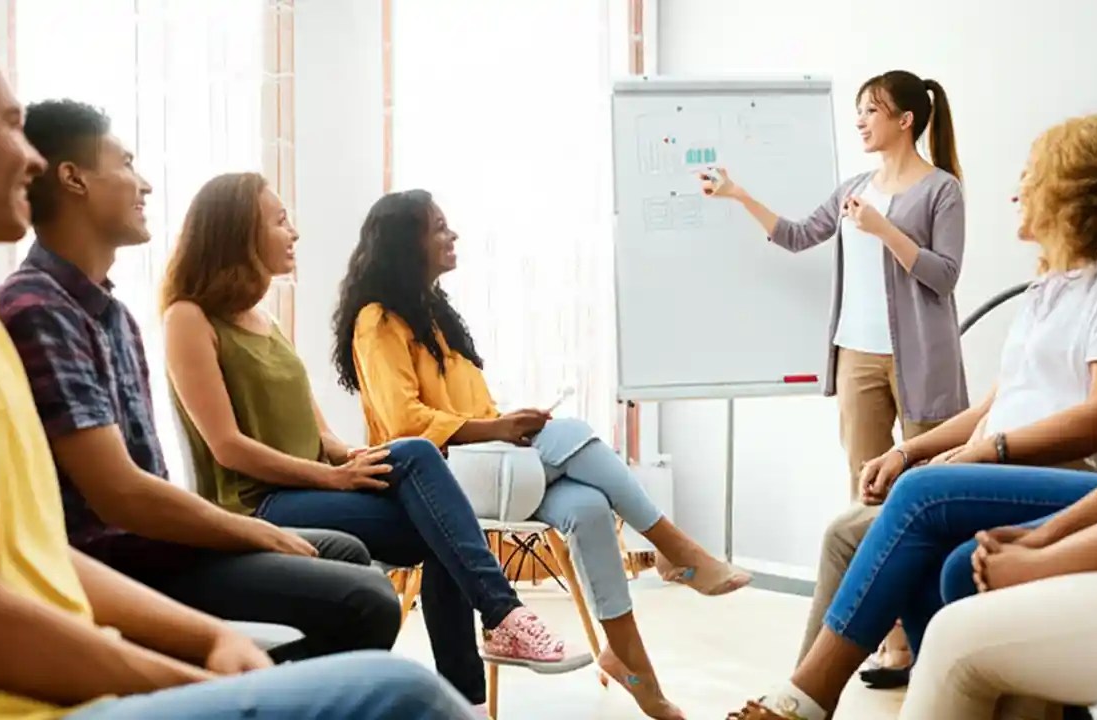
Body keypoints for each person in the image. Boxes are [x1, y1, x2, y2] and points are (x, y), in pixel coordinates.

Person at [0, 10, 474, 720]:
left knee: (412, 522)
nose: (26, 159)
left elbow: (36, 555)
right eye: (6, 124)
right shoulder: (34, 311)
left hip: (124, 581)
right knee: (396, 680)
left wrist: (209, 641)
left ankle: (490, 635)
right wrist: (196, 672)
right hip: (20, 681)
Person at [726, 112, 1097, 720]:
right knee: (857, 528)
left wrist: (987, 453)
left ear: (1070, 192)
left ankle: (804, 699)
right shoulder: (1049, 286)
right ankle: (823, 699)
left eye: (1029, 176)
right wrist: (908, 449)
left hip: (1060, 471)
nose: (1016, 191)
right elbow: (995, 402)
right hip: (1003, 471)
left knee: (924, 501)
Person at [0, 98, 403, 662]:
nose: (145, 185)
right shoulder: (39, 309)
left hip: (155, 545)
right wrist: (254, 531)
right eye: (126, 163)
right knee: (368, 601)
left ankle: (279, 687)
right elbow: (121, 496)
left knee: (349, 555)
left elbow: (145, 478)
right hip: (118, 566)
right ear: (73, 179)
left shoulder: (109, 313)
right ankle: (249, 687)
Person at [162, 172, 580, 714]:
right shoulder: (188, 318)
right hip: (255, 504)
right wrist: (331, 476)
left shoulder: (266, 321)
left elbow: (321, 436)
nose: (294, 232)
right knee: (422, 467)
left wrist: (350, 458)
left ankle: (469, 702)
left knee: (440, 524)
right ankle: (502, 615)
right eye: (280, 219)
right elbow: (227, 447)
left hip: (306, 488)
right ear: (238, 231)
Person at [332, 189, 751, 720]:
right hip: (435, 481)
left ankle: (635, 669)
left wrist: (509, 427)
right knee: (573, 433)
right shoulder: (377, 320)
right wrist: (500, 427)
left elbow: (469, 409)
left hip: (482, 467)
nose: (452, 234)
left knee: (589, 509)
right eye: (439, 227)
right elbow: (405, 423)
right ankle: (673, 547)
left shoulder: (433, 315)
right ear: (403, 242)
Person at [900, 38, 1097, 719]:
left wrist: (1044, 557)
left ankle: (804, 696)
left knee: (956, 638)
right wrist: (1041, 540)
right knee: (953, 566)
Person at [703, 68, 967, 675]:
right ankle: (894, 640)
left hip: (926, 362)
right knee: (867, 499)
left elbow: (945, 275)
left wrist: (884, 229)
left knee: (932, 493)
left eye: (870, 111)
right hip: (857, 357)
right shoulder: (853, 186)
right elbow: (798, 236)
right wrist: (739, 195)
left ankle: (941, 634)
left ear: (905, 120)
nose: (859, 121)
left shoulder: (941, 190)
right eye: (857, 111)